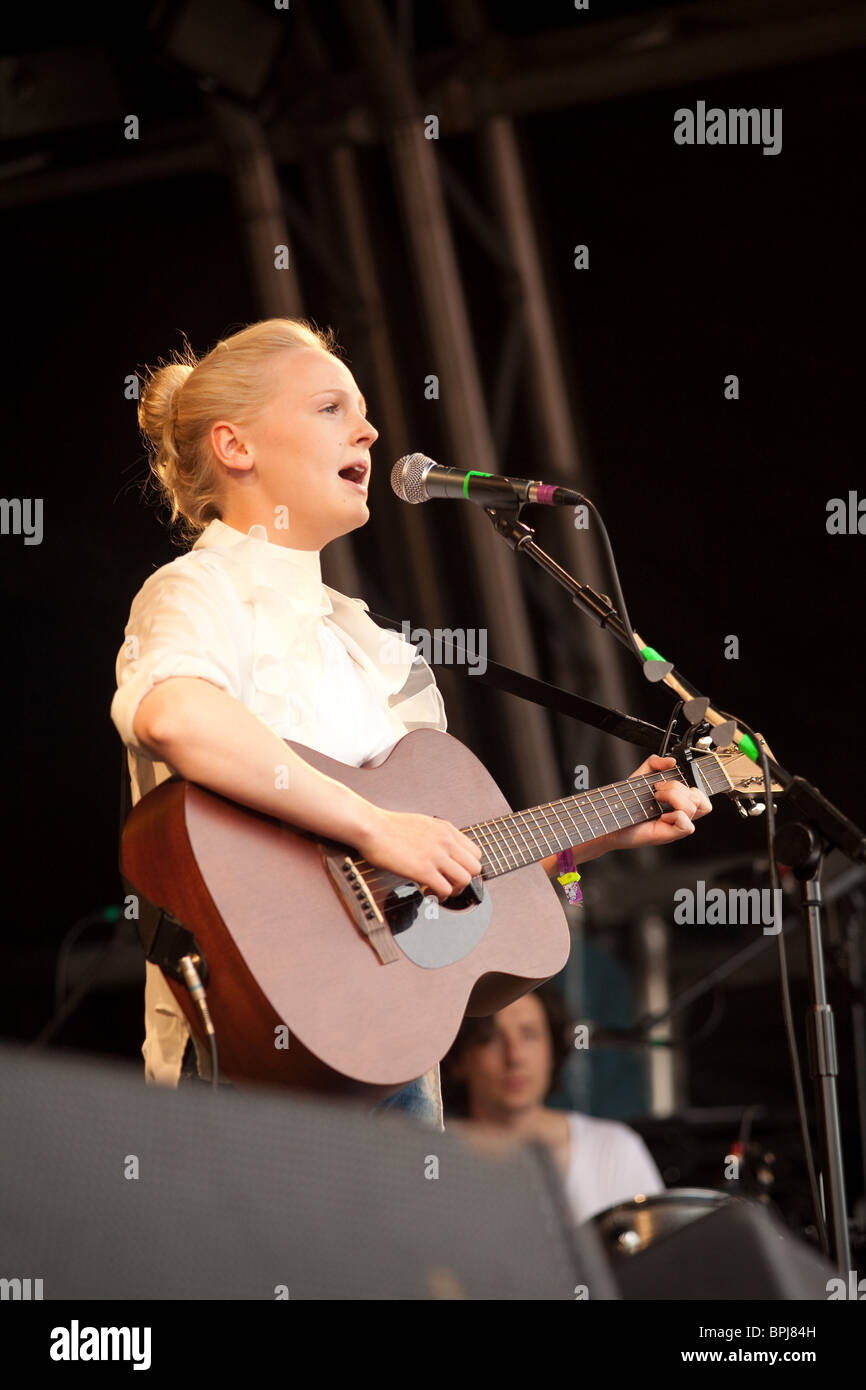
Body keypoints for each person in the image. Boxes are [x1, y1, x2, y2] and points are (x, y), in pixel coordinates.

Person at [110, 316, 711, 1129]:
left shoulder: (371, 649)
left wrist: (595, 834)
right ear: (235, 446)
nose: (368, 428)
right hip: (251, 1063)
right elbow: (177, 714)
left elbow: (431, 880)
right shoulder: (196, 592)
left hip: (389, 1059)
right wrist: (375, 826)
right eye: (330, 408)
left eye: (361, 410)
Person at [442, 985, 665, 1223]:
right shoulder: (432, 1158)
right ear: (458, 1060)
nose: (514, 1057)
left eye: (529, 1035)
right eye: (490, 1039)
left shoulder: (615, 1150)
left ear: (553, 1052)